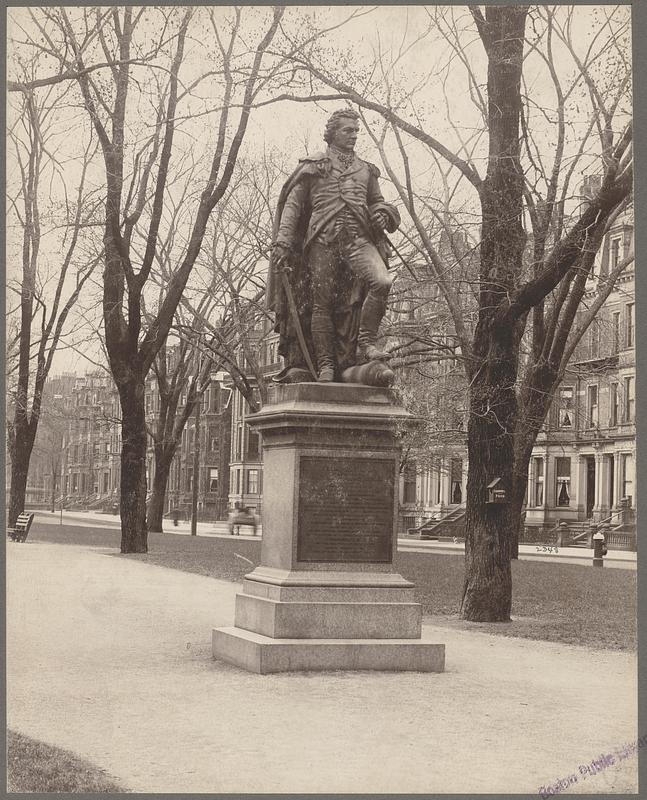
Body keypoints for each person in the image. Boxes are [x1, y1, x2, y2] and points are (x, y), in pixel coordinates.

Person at [268, 109, 400, 382]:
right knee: (322, 304)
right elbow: (293, 205)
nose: (354, 135)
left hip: (358, 240)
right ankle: (326, 365)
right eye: (347, 130)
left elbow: (377, 201)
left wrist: (382, 213)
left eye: (356, 131)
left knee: (382, 281)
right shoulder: (313, 166)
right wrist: (283, 241)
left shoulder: (365, 169)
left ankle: (366, 342)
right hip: (323, 240)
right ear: (332, 133)